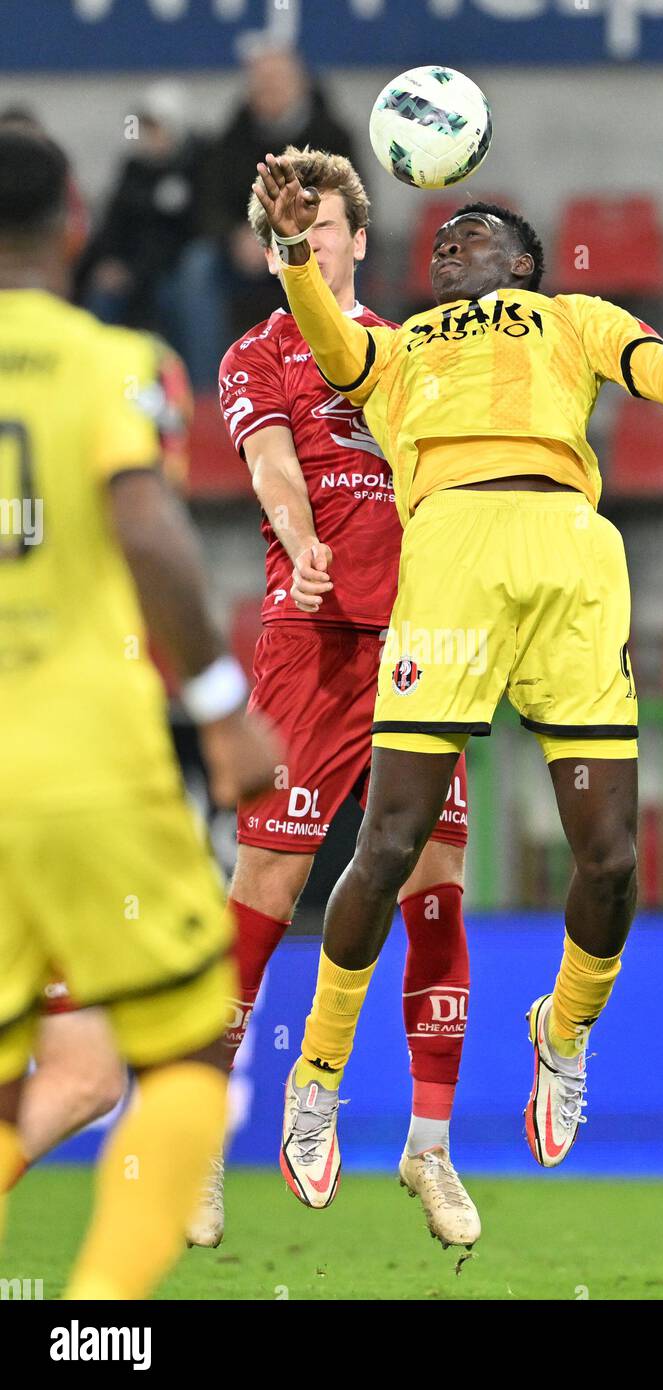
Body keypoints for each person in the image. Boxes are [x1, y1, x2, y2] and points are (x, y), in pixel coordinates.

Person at [251, 152, 663, 1189]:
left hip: (569, 563)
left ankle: (563, 1030)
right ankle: (317, 1073)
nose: (450, 242)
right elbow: (330, 351)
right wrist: (291, 252)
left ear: (526, 263)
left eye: (477, 233)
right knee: (388, 838)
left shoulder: (573, 318)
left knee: (606, 855)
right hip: (450, 559)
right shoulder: (400, 344)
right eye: (442, 237)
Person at [0, 128, 279, 1300]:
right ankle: (93, 1324)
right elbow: (148, 527)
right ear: (74, 221)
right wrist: (221, 705)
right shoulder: (118, 363)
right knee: (184, 1058)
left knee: (57, 1065)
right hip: (83, 764)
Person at [184, 146, 477, 1251]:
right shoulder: (255, 353)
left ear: (356, 239)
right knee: (265, 887)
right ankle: (200, 1148)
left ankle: (429, 1147)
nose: (300, 250)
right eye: (282, 240)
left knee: (435, 886)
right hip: (310, 645)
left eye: (316, 233)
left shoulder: (410, 356)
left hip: (423, 646)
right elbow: (272, 466)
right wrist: (304, 545)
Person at [180, 40, 358, 385]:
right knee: (196, 268)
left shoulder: (333, 136)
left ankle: (335, 378)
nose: (268, 92)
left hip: (310, 243)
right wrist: (235, 236)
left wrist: (294, 239)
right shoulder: (232, 137)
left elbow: (350, 205)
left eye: (277, 82)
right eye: (260, 84)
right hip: (246, 252)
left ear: (300, 84)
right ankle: (210, 388)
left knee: (343, 259)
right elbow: (209, 204)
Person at [75, 83, 208, 381]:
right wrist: (107, 263)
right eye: (144, 128)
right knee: (99, 296)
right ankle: (93, 380)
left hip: (169, 271)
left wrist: (134, 271)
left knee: (182, 293)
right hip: (132, 272)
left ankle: (202, 390)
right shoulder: (133, 169)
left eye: (156, 127)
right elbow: (113, 226)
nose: (149, 136)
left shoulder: (198, 167)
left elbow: (191, 234)